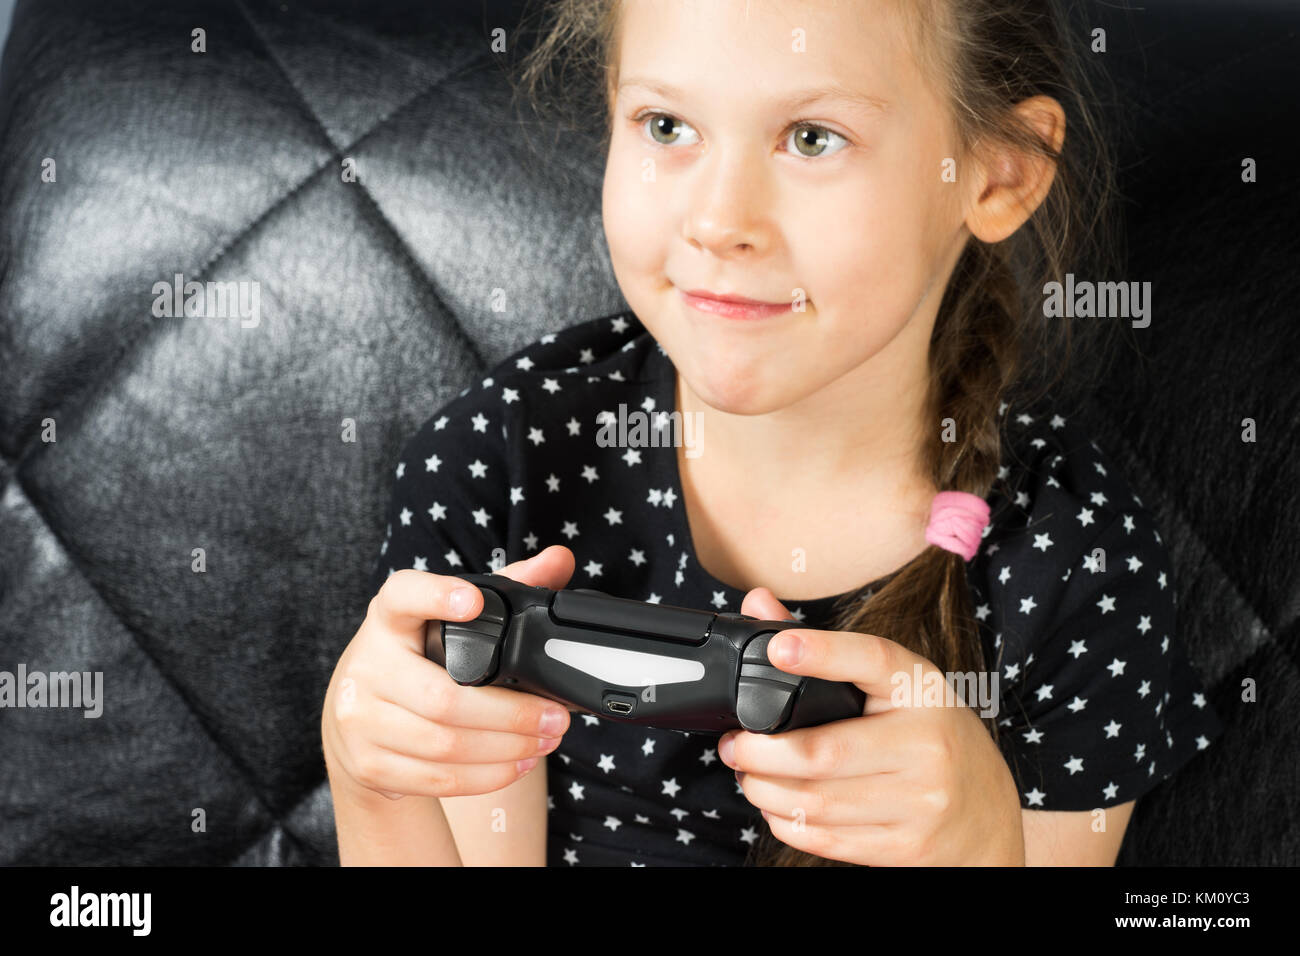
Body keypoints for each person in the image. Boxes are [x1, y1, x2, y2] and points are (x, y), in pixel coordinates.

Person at [322, 0, 1224, 866]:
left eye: (812, 138)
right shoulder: (501, 465)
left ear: (996, 175)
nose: (721, 222)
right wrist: (374, 782)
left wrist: (981, 846)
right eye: (666, 126)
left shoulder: (1073, 555)